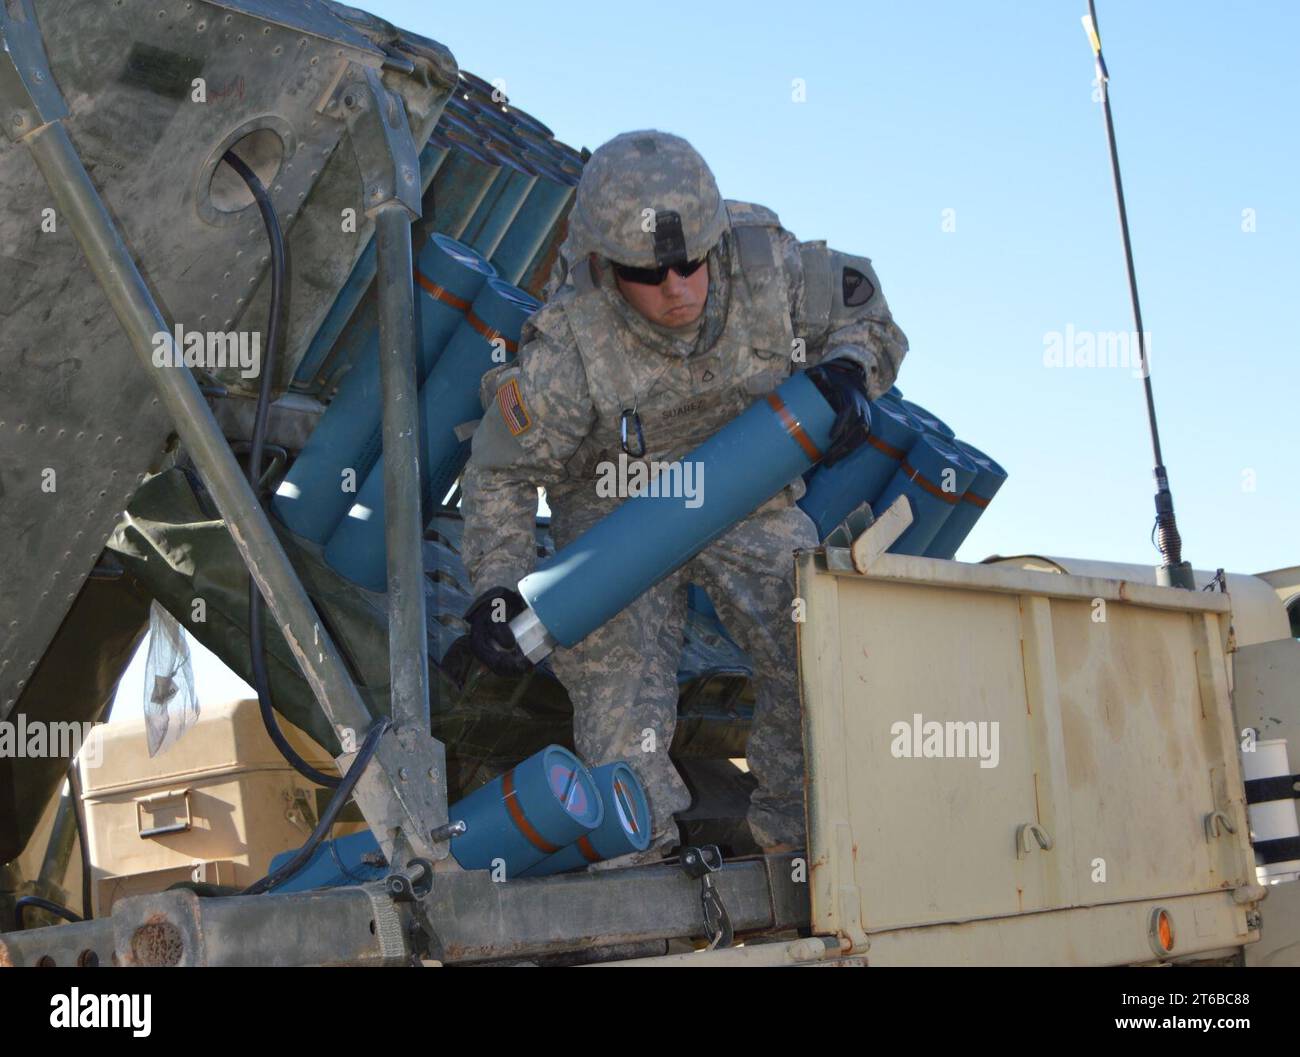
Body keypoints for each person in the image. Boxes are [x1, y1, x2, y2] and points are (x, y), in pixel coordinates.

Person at [457, 130, 907, 861]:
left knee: (818, 643)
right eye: (650, 273)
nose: (677, 289)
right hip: (616, 511)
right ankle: (644, 878)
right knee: (619, 693)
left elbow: (867, 316)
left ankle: (807, 850)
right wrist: (498, 585)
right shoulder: (572, 342)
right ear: (607, 266)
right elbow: (500, 469)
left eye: (690, 263)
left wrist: (853, 370)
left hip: (746, 492)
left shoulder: (769, 265)